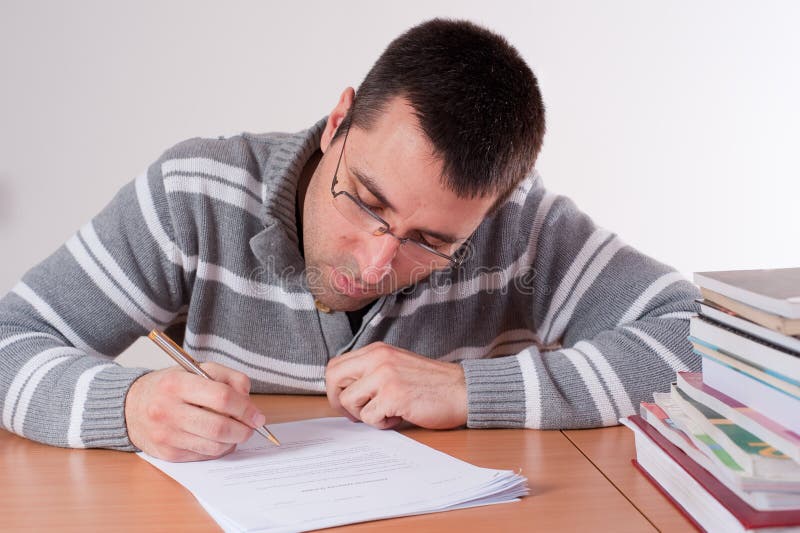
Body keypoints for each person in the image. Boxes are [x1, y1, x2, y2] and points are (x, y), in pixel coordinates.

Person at [0, 19, 699, 462]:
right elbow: (10, 341)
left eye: (431, 240)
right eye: (366, 200)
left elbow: (697, 346)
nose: (374, 262)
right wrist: (127, 407)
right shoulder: (194, 193)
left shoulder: (523, 224)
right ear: (338, 121)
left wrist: (468, 391)